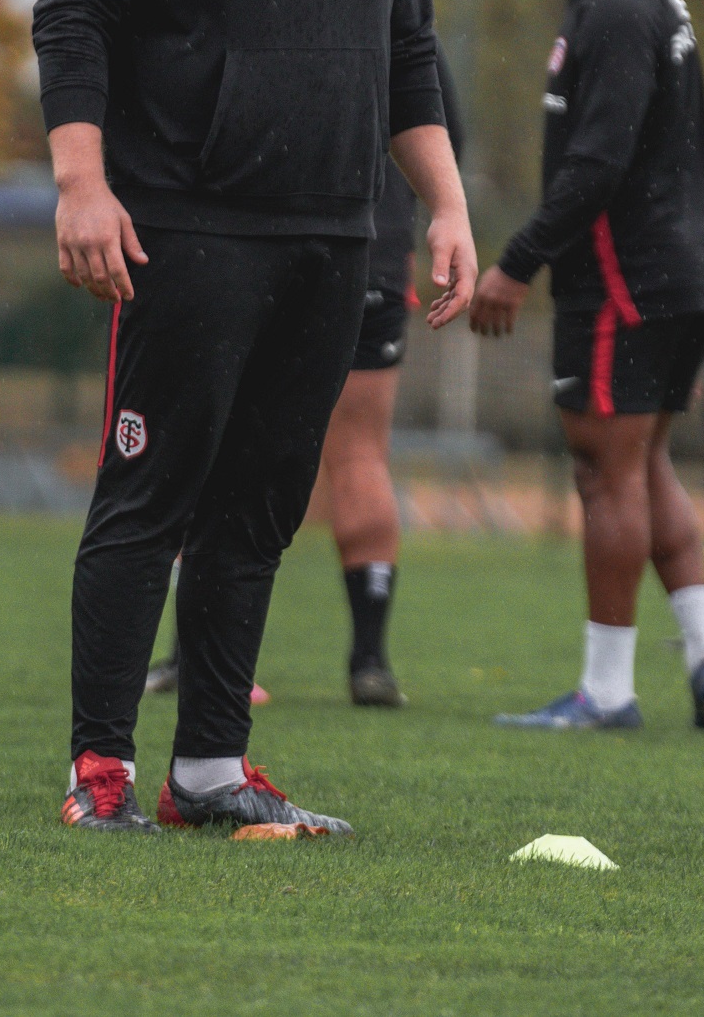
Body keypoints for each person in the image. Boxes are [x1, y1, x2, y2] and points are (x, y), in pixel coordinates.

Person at [35, 0, 474, 834]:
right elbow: (69, 16)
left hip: (336, 234)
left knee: (266, 503)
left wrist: (443, 205)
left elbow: (407, 49)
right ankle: (102, 769)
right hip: (181, 226)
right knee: (148, 492)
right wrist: (83, 180)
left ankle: (211, 769)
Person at [472, 0, 704, 734]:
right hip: (682, 269)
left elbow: (598, 164)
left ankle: (608, 691)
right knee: (643, 461)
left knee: (602, 473)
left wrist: (516, 263)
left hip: (630, 276)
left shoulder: (619, 9)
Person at [145, 69, 467, 710]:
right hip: (370, 253)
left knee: (218, 445)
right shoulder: (405, 23)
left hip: (265, 245)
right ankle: (368, 659)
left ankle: (200, 655)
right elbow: (436, 136)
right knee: (360, 457)